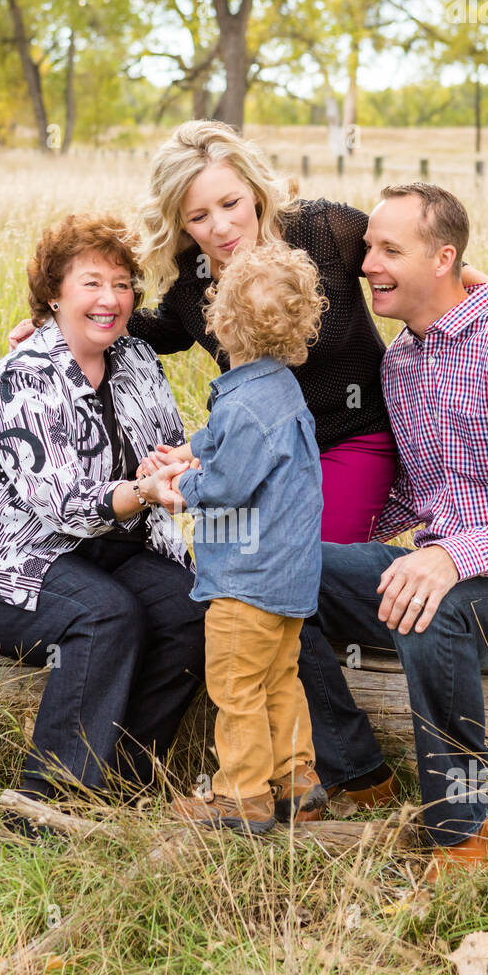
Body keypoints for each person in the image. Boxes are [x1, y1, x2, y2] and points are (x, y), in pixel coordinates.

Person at [9, 121, 488, 544]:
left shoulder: (321, 229)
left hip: (349, 438)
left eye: (230, 203)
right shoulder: (195, 276)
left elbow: (407, 255)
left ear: (255, 190)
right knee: (228, 564)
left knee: (313, 569)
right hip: (255, 446)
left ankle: (321, 680)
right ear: (180, 221)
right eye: (197, 217)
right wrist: (57, 321)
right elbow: (161, 332)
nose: (219, 228)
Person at [307, 182, 488, 882]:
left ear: (444, 258)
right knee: (283, 571)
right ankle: (358, 770)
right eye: (369, 247)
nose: (368, 264)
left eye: (389, 250)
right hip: (446, 569)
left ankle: (461, 835)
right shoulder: (401, 362)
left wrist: (450, 558)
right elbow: (414, 495)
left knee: (434, 609)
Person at [0, 214, 206, 826]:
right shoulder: (25, 374)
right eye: (92, 283)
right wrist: (144, 488)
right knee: (105, 615)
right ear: (54, 294)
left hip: (102, 550)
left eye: (124, 284)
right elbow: (64, 503)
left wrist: (177, 466)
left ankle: (122, 791)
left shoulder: (135, 358)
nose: (111, 299)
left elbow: (164, 445)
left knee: (191, 608)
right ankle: (44, 812)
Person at [161, 240, 328, 834]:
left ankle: (240, 795)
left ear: (219, 322)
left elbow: (228, 485)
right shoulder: (281, 389)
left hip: (244, 582)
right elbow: (235, 443)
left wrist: (180, 485)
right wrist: (194, 447)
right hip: (287, 579)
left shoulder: (242, 405)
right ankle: (296, 781)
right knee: (280, 677)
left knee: (234, 687)